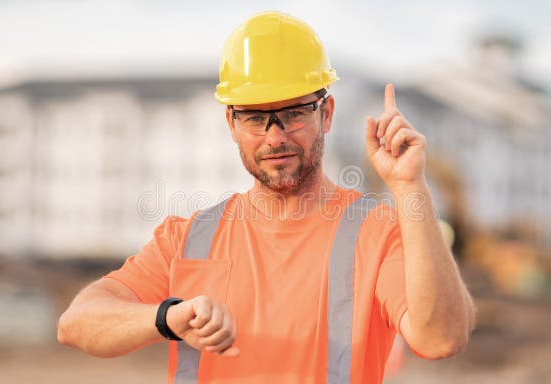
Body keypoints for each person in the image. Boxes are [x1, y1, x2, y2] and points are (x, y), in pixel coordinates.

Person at [57, 11, 475, 383]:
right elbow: (77, 324)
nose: (275, 136)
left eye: (293, 113)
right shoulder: (188, 239)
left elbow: (440, 338)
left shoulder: (378, 232)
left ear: (325, 114)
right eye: (256, 117)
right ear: (232, 123)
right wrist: (167, 317)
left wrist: (410, 188)